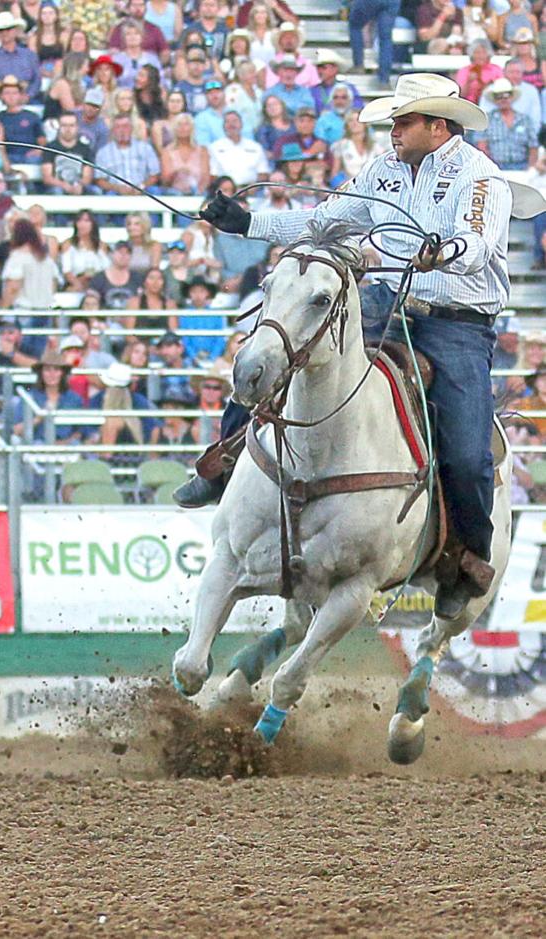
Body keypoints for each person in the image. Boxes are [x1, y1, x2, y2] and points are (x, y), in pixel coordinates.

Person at [181, 73, 508, 618]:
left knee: (470, 450)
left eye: (402, 122)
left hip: (456, 322)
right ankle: (224, 461)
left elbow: (475, 243)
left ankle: (466, 554)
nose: (393, 132)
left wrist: (442, 250)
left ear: (437, 125)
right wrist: (247, 222)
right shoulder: (381, 171)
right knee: (277, 349)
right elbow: (324, 219)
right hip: (384, 304)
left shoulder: (481, 179)